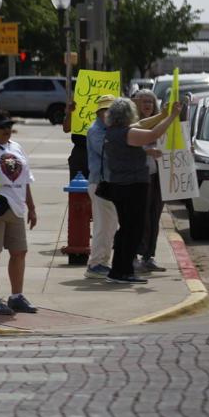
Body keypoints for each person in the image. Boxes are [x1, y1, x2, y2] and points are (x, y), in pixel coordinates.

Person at [102, 97, 181, 284]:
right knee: (133, 230)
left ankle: (118, 270)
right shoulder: (126, 134)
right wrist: (172, 118)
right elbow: (152, 134)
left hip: (119, 185)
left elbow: (143, 124)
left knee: (125, 229)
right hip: (132, 186)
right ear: (128, 114)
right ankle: (124, 271)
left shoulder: (113, 132)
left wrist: (163, 114)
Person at [0, 108, 38, 315]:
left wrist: (32, 207)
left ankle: (16, 296)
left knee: (19, 251)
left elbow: (26, 180)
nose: (7, 130)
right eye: (2, 127)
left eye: (9, 126)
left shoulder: (16, 148)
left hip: (17, 207)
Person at [131, 89, 166, 273]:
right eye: (143, 101)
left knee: (154, 216)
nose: (147, 105)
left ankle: (148, 256)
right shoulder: (133, 125)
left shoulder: (161, 124)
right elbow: (126, 149)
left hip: (158, 176)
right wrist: (146, 151)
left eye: (150, 102)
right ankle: (135, 255)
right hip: (139, 178)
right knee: (140, 217)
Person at [83, 94, 118, 279]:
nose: (109, 114)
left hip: (107, 183)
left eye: (112, 110)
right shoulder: (96, 131)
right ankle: (96, 263)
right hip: (100, 183)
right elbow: (109, 154)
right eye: (106, 110)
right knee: (104, 227)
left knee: (109, 226)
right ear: (99, 112)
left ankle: (102, 262)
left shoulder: (108, 129)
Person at [62, 98, 89, 180]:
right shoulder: (78, 98)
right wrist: (70, 113)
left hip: (100, 152)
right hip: (80, 153)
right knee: (77, 189)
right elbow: (66, 129)